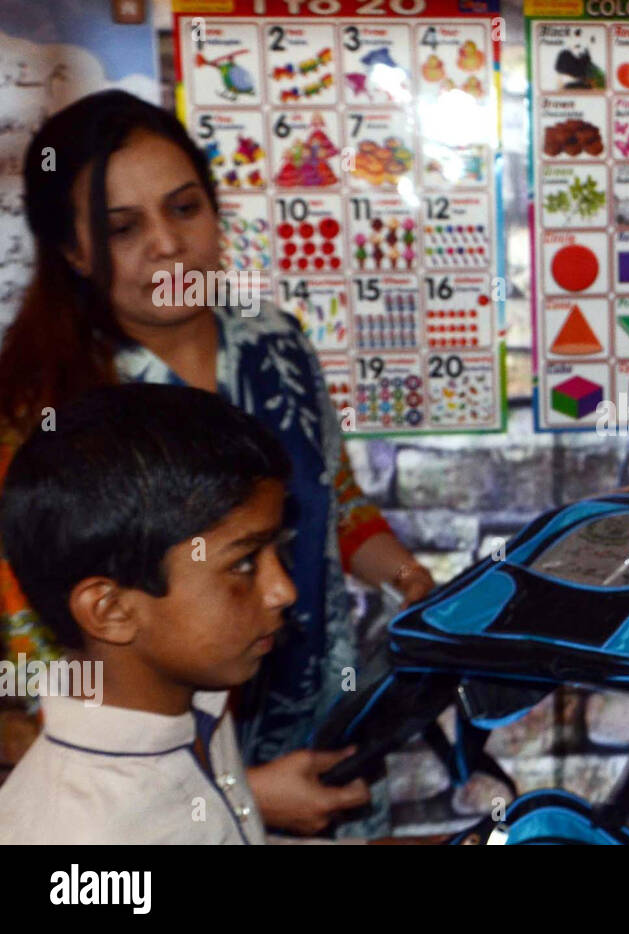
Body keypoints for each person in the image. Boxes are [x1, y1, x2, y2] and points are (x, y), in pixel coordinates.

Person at [0, 90, 435, 836]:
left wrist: (416, 587)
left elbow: (337, 499)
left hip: (324, 728)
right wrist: (240, 790)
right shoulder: (39, 417)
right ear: (72, 250)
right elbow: (41, 664)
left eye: (185, 208)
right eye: (122, 228)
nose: (168, 245)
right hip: (156, 793)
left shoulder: (276, 341)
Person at [0, 384, 299, 843]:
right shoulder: (79, 836)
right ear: (111, 610)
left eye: (279, 550)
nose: (283, 591)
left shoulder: (197, 701)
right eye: (243, 563)